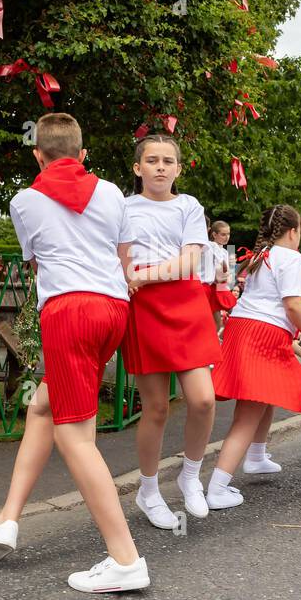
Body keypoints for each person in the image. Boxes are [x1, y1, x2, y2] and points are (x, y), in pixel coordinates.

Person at [0, 112, 147, 593]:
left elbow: (35, 263)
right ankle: (6, 520)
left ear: (37, 155)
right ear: (83, 154)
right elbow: (123, 258)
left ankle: (125, 559)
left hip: (68, 312)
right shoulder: (112, 192)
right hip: (112, 309)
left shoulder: (24, 200)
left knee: (75, 439)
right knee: (43, 406)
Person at [121, 134, 222, 529]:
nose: (160, 166)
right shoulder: (123, 207)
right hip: (144, 309)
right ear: (138, 168)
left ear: (178, 169)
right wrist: (132, 277)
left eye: (168, 161)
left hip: (183, 302)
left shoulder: (189, 206)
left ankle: (191, 475)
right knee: (157, 408)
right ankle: (148, 491)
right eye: (152, 160)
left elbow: (188, 263)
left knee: (203, 399)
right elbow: (121, 260)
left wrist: (142, 276)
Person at [207, 205, 301, 508]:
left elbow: (278, 306)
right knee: (247, 413)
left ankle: (257, 455)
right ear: (293, 231)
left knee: (266, 394)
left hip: (243, 327)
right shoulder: (292, 258)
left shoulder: (263, 255)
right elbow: (293, 307)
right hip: (263, 335)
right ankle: (217, 487)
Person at [202, 220, 237, 330]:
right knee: (218, 322)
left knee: (217, 324)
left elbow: (225, 272)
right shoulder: (209, 246)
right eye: (223, 234)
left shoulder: (225, 252)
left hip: (219, 287)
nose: (227, 237)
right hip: (210, 287)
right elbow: (223, 269)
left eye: (228, 234)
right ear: (214, 234)